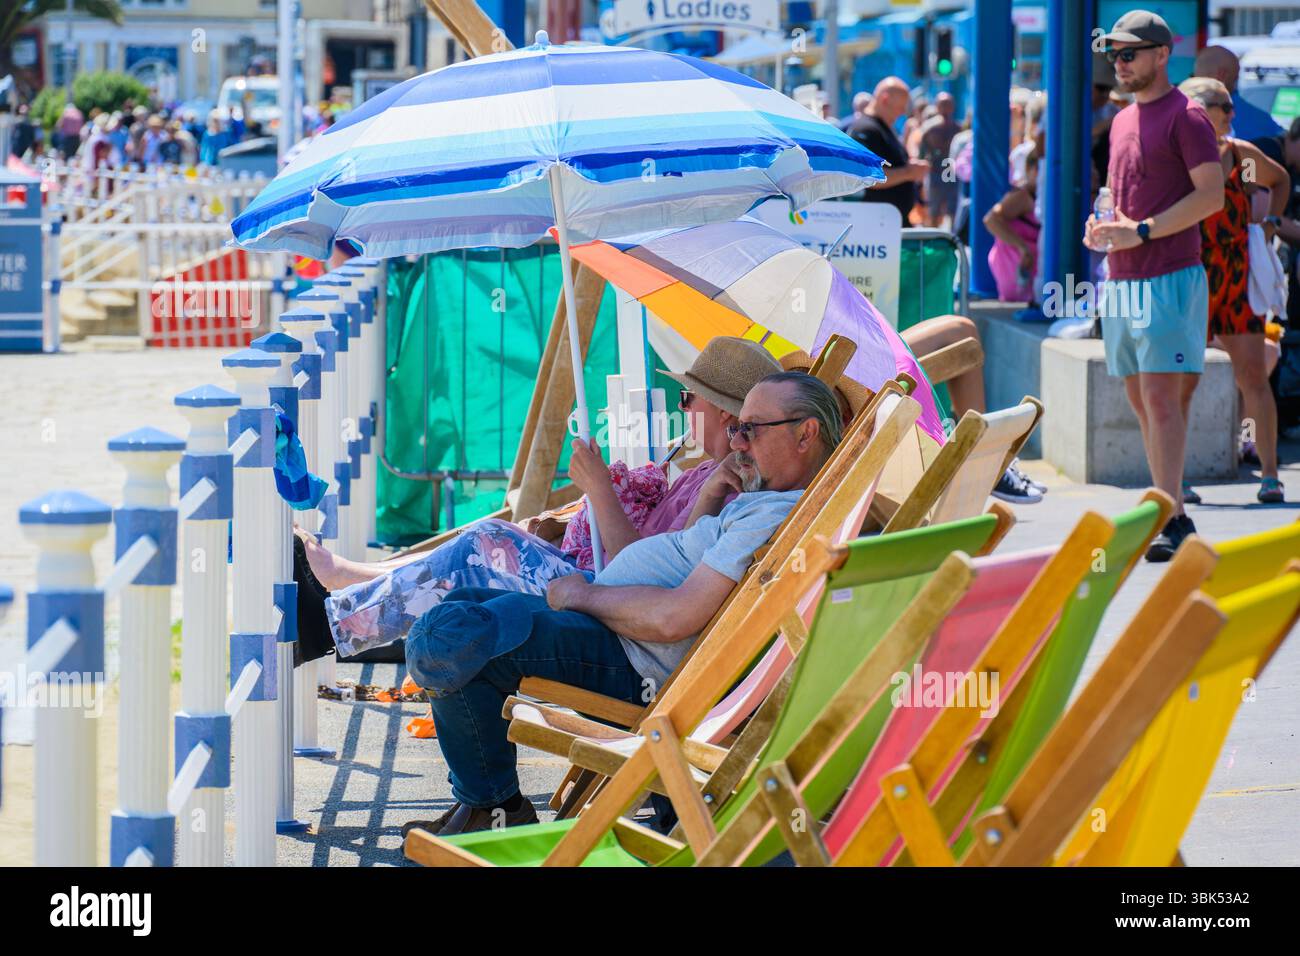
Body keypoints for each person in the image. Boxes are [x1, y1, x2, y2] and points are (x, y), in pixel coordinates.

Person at [398, 371, 843, 836]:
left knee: (451, 636)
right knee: (466, 606)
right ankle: (486, 802)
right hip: (624, 635)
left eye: (751, 429)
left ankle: (491, 805)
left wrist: (585, 595)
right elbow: (682, 559)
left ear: (805, 433)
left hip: (639, 661)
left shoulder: (776, 513)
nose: (738, 444)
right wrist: (711, 496)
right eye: (736, 429)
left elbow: (677, 618)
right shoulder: (763, 500)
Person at [293, 337, 786, 660]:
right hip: (605, 585)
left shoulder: (727, 487)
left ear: (725, 414)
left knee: (485, 547)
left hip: (612, 601)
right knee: (488, 542)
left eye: (688, 398)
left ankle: (335, 619)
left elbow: (644, 564)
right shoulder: (703, 471)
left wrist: (598, 488)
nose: (682, 406)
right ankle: (342, 610)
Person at [1084, 11, 1225, 562]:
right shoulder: (1121, 120)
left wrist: (1140, 230)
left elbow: (1210, 197)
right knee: (1140, 398)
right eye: (1115, 55)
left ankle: (1166, 512)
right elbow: (1119, 192)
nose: (1120, 64)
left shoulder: (1187, 116)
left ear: (1162, 55)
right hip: (1121, 279)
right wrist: (1103, 225)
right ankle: (1174, 511)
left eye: (1130, 53)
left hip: (1169, 275)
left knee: (1162, 398)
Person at [1179, 77, 1290, 505]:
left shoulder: (1240, 157)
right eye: (1222, 106)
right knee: (1183, 383)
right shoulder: (1179, 159)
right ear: (1195, 109)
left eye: (1229, 106)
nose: (1231, 113)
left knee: (1254, 377)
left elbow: (1277, 181)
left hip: (1234, 284)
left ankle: (1270, 475)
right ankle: (1180, 478)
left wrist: (1268, 225)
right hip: (1191, 282)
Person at [899, 316, 1047, 504]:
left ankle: (984, 450)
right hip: (858, 355)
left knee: (962, 332)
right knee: (960, 336)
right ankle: (985, 459)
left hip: (862, 338)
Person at [846, 76, 929, 220]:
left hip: (890, 222)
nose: (903, 113)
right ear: (884, 99)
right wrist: (908, 172)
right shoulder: (865, 128)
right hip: (876, 225)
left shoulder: (884, 128)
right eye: (900, 107)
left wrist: (910, 166)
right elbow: (866, 175)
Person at [984, 143, 1041, 303]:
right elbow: (991, 220)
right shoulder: (1023, 196)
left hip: (1032, 271)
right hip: (1017, 270)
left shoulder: (1044, 196)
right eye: (1038, 168)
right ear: (1031, 170)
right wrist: (1023, 247)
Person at [1194, 45, 1284, 143]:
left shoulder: (1179, 110)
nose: (1231, 114)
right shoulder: (1260, 120)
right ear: (1221, 75)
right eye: (1235, 79)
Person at [918, 92, 960, 227]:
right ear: (937, 107)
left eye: (948, 105)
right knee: (933, 208)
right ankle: (931, 238)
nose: (945, 108)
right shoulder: (930, 129)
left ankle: (954, 235)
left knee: (953, 208)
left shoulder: (958, 129)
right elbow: (922, 153)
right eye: (942, 105)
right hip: (935, 172)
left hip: (952, 172)